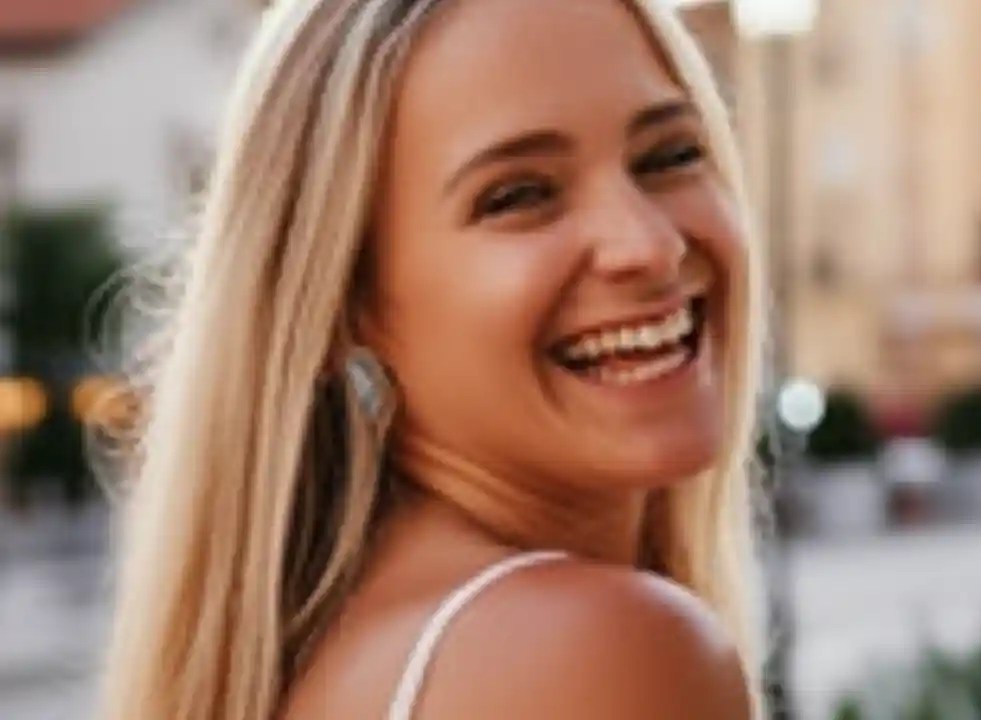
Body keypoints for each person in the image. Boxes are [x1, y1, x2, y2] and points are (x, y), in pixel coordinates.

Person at [98, 0, 765, 718]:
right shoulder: (599, 652)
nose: (649, 246)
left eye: (669, 156)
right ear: (343, 301)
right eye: (519, 195)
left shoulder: (339, 651)